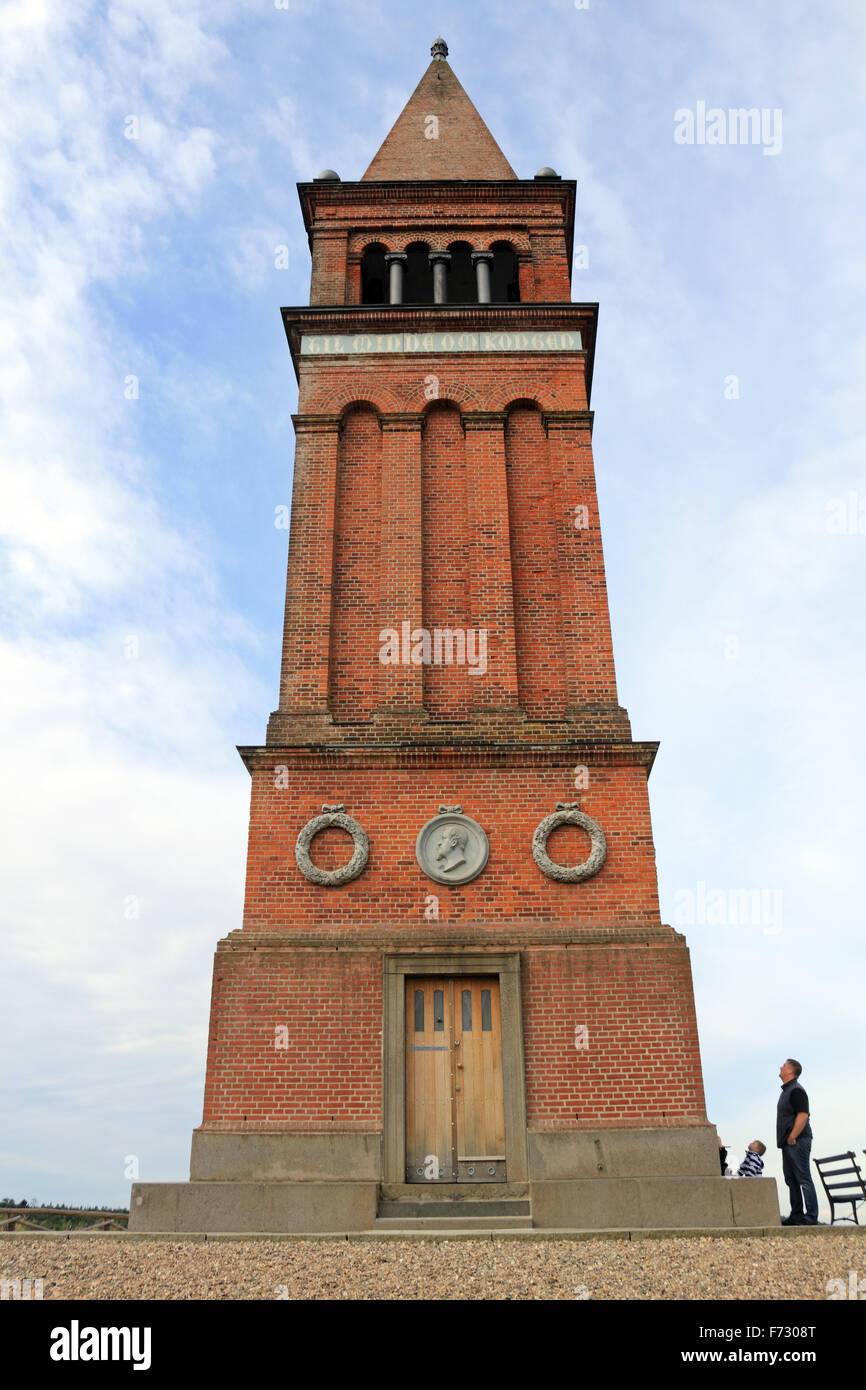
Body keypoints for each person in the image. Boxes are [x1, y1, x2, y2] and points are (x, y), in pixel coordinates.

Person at [777, 1058, 820, 1225]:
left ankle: (811, 1217)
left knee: (803, 1178)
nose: (781, 1067)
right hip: (788, 1143)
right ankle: (796, 1215)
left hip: (797, 1141)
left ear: (791, 1071)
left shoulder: (796, 1090)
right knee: (791, 1179)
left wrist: (793, 1136)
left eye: (784, 1065)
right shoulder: (787, 1091)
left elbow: (803, 1115)